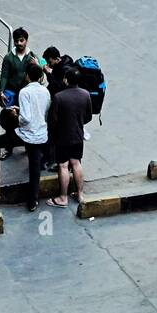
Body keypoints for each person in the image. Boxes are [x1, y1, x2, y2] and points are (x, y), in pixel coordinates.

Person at [0, 60, 51, 210]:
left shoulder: (25, 92)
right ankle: (33, 201)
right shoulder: (45, 91)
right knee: (34, 167)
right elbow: (44, 111)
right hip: (40, 134)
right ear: (41, 77)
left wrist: (17, 114)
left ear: (27, 77)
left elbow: (26, 119)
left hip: (26, 133)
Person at [47, 67, 93, 209]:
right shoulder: (85, 95)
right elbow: (88, 116)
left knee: (63, 165)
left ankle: (63, 197)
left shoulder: (59, 97)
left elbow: (53, 120)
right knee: (76, 163)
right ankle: (80, 194)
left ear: (66, 80)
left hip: (62, 137)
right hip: (78, 136)